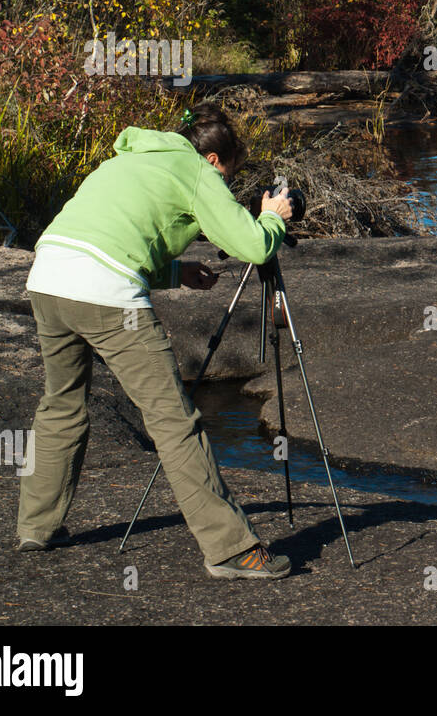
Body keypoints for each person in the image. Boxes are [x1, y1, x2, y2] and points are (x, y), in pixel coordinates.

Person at [18, 103, 295, 579]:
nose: (224, 186)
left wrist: (174, 271)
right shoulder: (196, 171)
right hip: (104, 295)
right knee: (173, 419)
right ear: (213, 160)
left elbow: (111, 233)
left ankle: (36, 527)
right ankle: (229, 548)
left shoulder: (127, 158)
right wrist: (272, 218)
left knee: (60, 404)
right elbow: (253, 245)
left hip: (47, 279)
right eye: (227, 177)